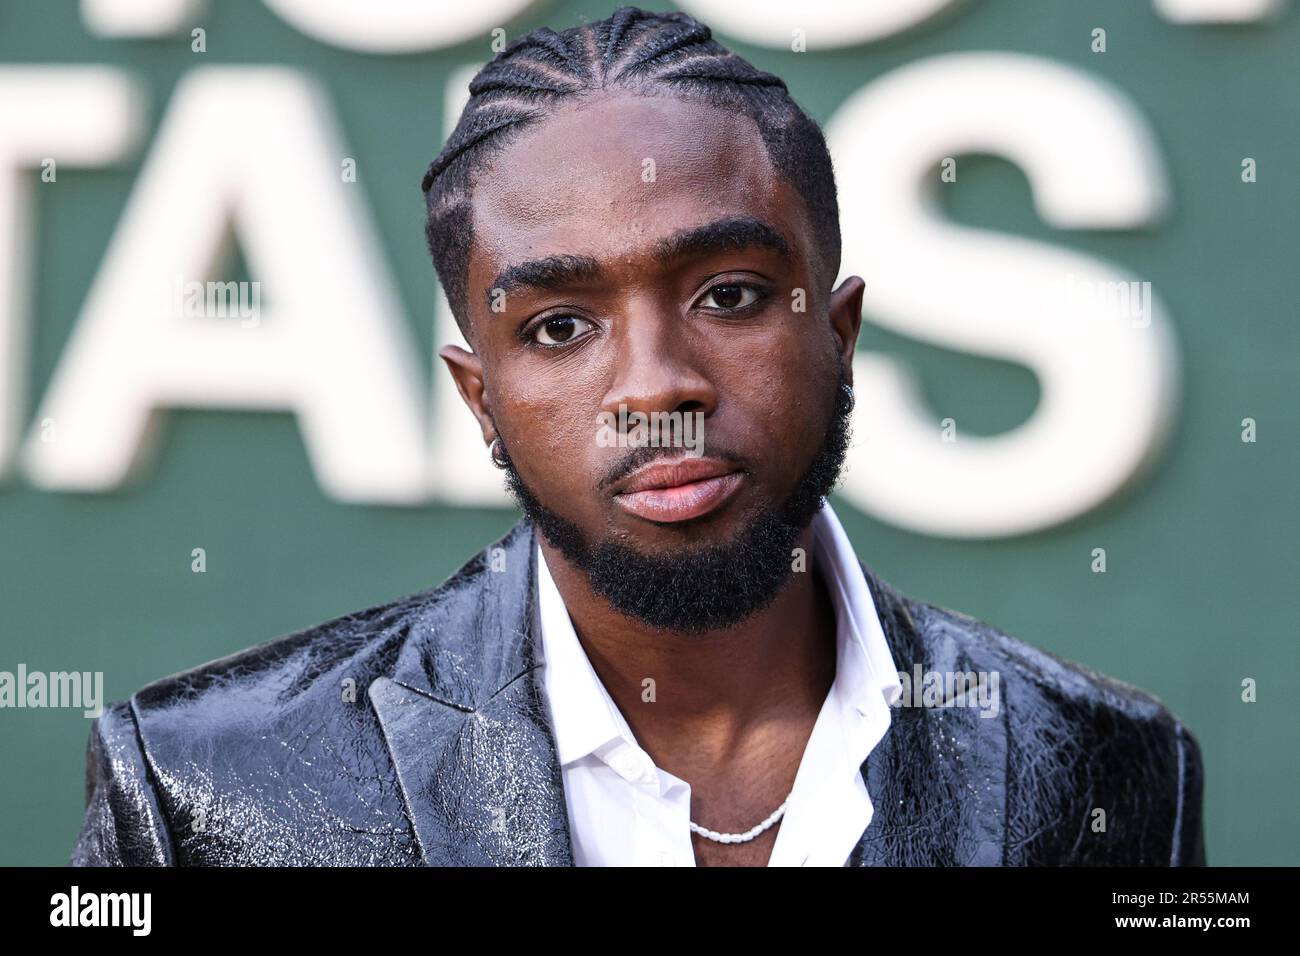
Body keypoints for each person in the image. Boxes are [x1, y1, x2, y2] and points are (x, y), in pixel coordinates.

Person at [70, 6, 1204, 867]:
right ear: (481, 398)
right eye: (559, 325)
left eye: (729, 295)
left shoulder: (1109, 764)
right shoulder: (204, 790)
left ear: (840, 329)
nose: (657, 385)